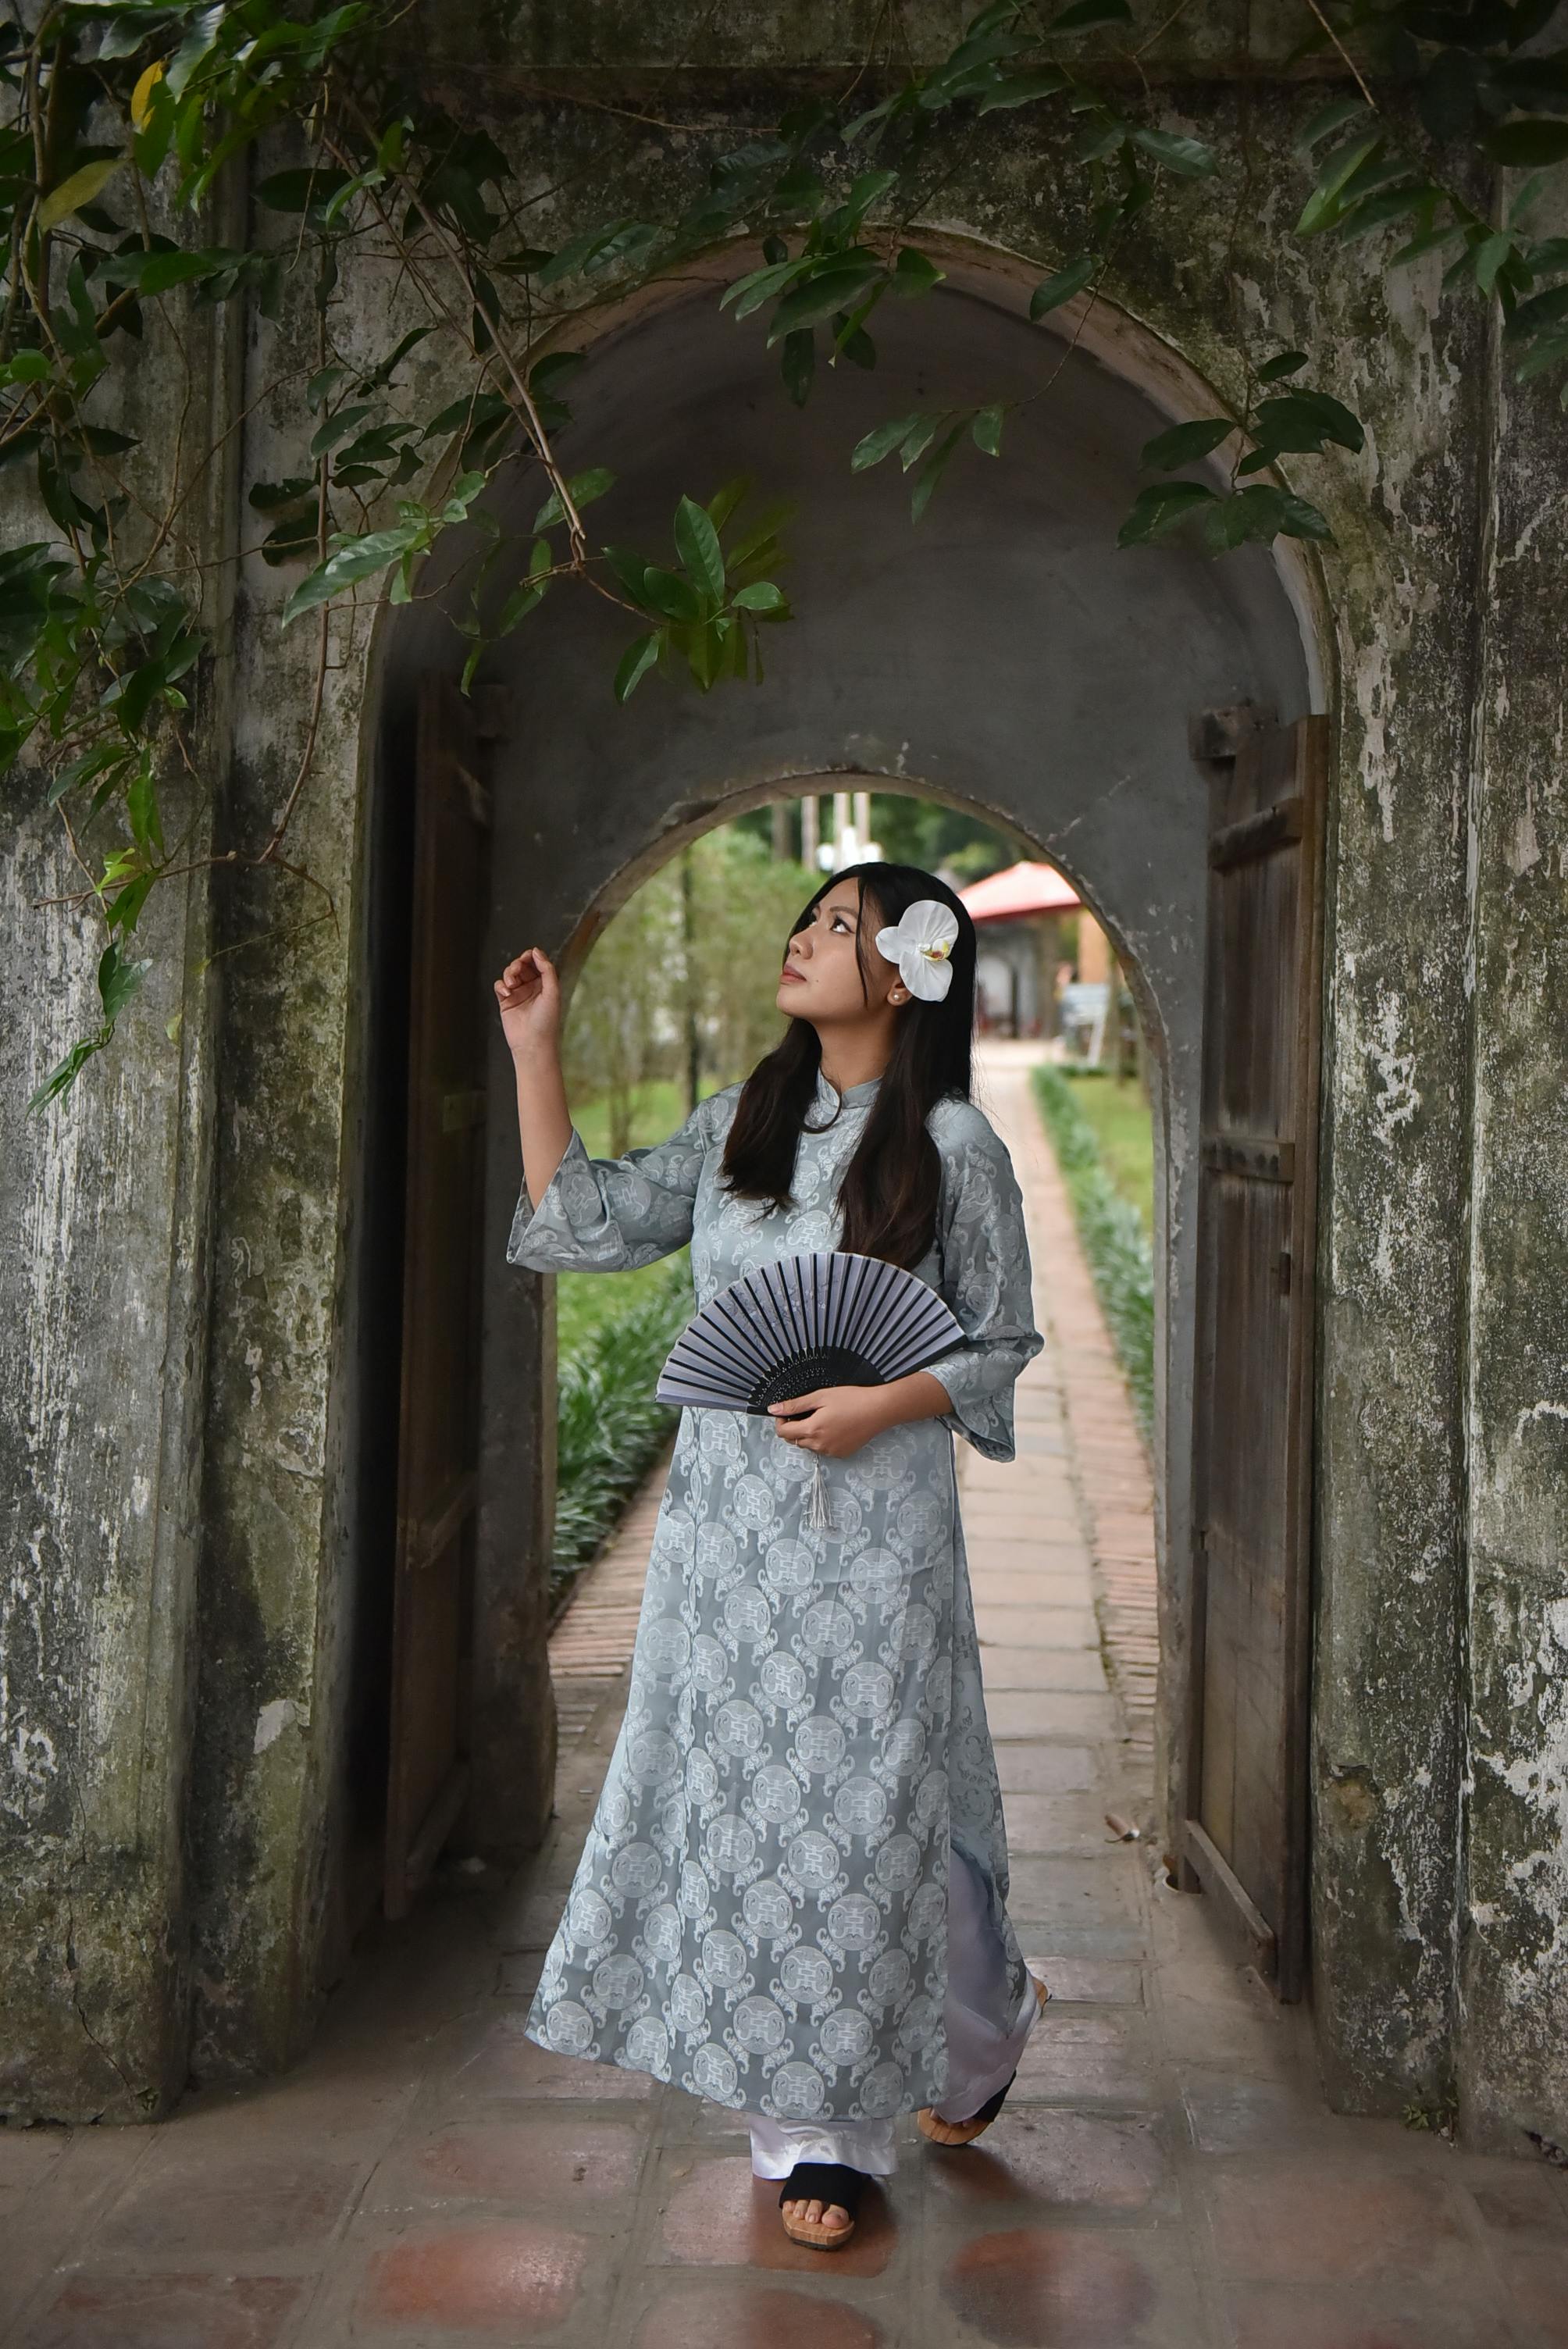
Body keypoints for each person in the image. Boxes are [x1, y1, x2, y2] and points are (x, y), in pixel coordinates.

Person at [495, 861, 1047, 2251]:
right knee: (754, 1815)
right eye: (808, 917)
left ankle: (983, 2033)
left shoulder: (954, 1146)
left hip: (880, 1548)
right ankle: (819, 2133)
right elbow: (587, 1218)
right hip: (729, 1548)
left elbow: (997, 1342)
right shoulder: (745, 1118)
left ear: (910, 973)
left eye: (839, 926)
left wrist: (881, 1400)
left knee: (881, 1816)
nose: (804, 939)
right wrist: (535, 1050)